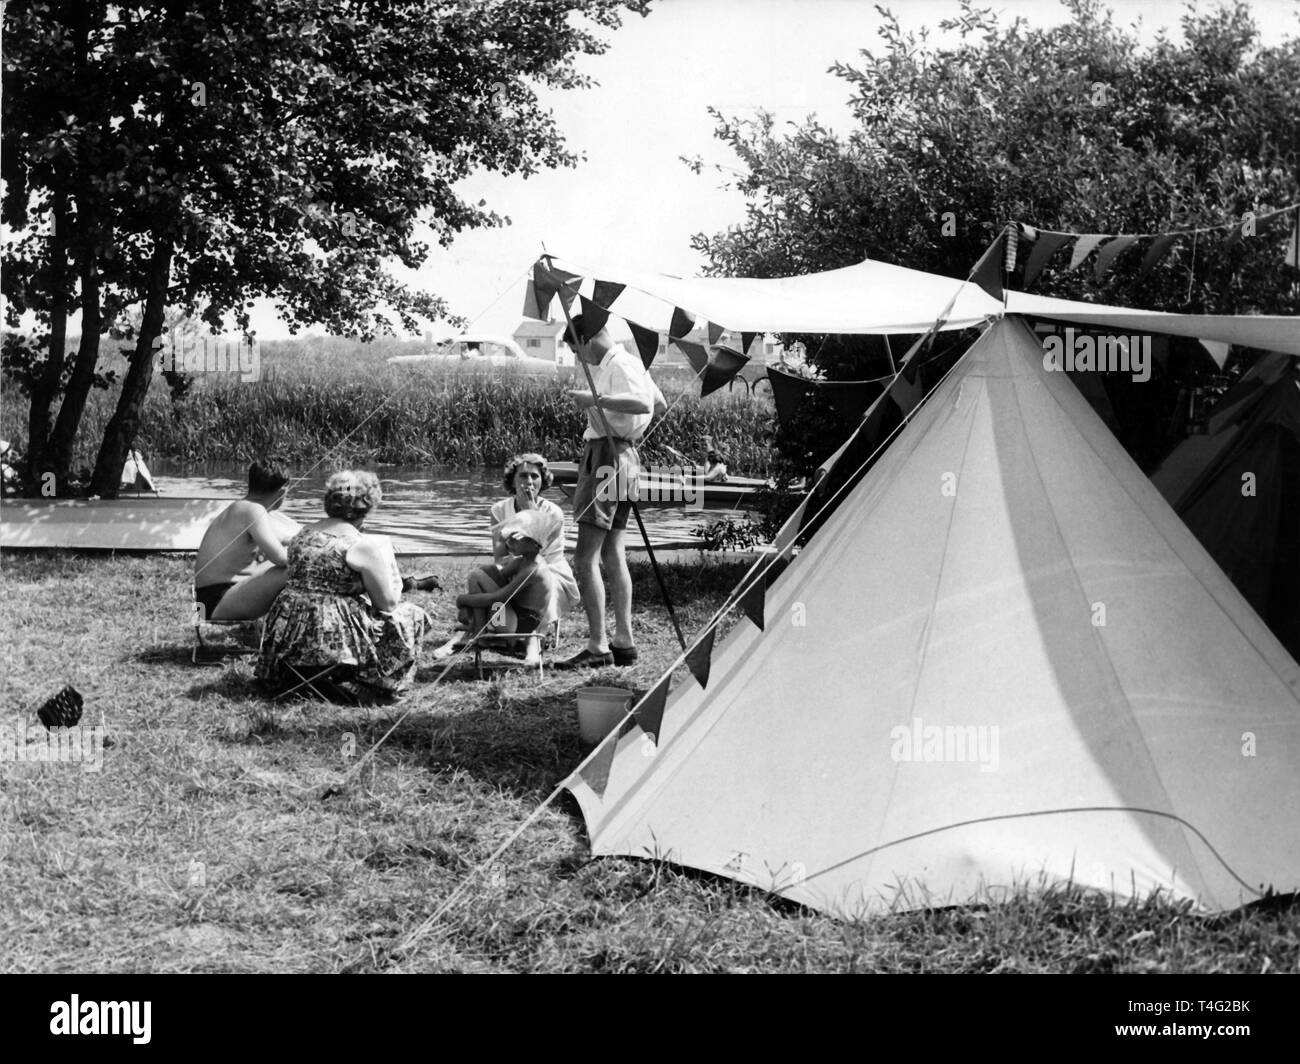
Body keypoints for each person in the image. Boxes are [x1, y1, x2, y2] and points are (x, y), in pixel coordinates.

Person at [255, 471, 431, 698]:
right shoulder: (360, 545)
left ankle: (296, 676)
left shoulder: (303, 533)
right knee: (412, 614)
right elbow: (386, 604)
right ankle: (372, 680)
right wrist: (394, 580)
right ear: (367, 506)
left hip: (289, 626)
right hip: (330, 631)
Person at [557, 315, 667, 669]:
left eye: (577, 349)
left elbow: (644, 404)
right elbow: (660, 403)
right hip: (624, 456)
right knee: (612, 552)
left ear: (588, 338)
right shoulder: (634, 362)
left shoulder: (617, 364)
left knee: (585, 557)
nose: (579, 358)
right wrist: (629, 438)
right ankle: (624, 640)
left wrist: (595, 398)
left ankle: (597, 645)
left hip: (606, 453)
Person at [432, 452, 576, 659]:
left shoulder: (553, 512)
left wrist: (530, 512)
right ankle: (473, 632)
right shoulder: (499, 509)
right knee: (481, 574)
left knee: (543, 586)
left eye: (534, 476)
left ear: (543, 480)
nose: (529, 482)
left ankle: (531, 642)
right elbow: (500, 556)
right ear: (513, 480)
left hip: (549, 569)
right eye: (523, 476)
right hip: (513, 565)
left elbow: (538, 553)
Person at [194, 459, 302, 621]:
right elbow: (280, 558)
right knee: (297, 569)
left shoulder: (242, 507)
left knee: (287, 564)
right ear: (282, 492)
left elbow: (283, 539)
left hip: (207, 600)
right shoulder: (254, 511)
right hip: (217, 602)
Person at [451, 510, 554, 666]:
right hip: (514, 615)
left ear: (534, 543)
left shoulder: (532, 569)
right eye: (509, 538)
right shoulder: (522, 561)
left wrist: (463, 600)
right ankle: (479, 630)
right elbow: (493, 575)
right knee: (479, 574)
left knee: (492, 600)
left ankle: (480, 630)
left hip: (519, 626)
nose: (509, 543)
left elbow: (497, 598)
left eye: (516, 539)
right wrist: (470, 604)